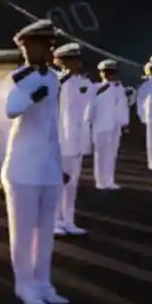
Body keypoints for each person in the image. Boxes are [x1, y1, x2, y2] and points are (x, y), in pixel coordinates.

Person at [2, 20, 68, 304]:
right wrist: (31, 96)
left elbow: (53, 127)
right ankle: (24, 285)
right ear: (25, 48)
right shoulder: (19, 78)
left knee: (45, 233)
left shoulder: (54, 78)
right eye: (37, 45)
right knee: (23, 231)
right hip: (23, 167)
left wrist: (59, 164)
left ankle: (44, 283)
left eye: (47, 45)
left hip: (48, 166)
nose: (43, 50)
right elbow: (11, 109)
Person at [53, 43, 92, 235]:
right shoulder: (57, 83)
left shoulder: (82, 83)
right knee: (56, 183)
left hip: (76, 141)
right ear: (61, 62)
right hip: (59, 141)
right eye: (71, 60)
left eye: (77, 59)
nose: (76, 63)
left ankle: (68, 220)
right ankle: (54, 222)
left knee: (71, 185)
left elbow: (85, 114)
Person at [89, 60, 129, 190]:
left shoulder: (119, 88)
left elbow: (123, 107)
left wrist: (124, 123)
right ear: (101, 73)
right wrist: (88, 123)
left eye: (111, 72)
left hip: (114, 126)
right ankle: (100, 181)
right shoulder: (95, 88)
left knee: (112, 154)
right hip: (100, 126)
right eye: (106, 72)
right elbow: (90, 108)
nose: (109, 75)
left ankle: (110, 180)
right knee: (101, 155)